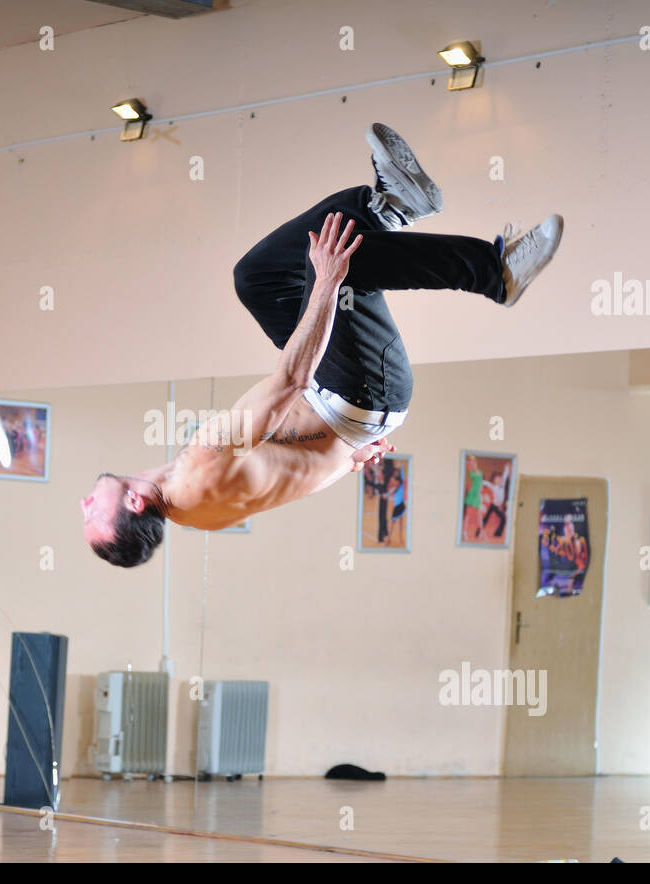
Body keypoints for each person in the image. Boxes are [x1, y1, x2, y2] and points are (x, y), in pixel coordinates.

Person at [84, 123, 564, 566]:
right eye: (91, 515)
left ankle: (391, 206)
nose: (83, 504)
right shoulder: (202, 462)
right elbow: (290, 381)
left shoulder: (197, 515)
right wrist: (327, 285)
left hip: (347, 407)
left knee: (257, 280)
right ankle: (495, 273)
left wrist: (345, 457)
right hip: (356, 391)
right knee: (336, 267)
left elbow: (289, 481)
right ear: (132, 503)